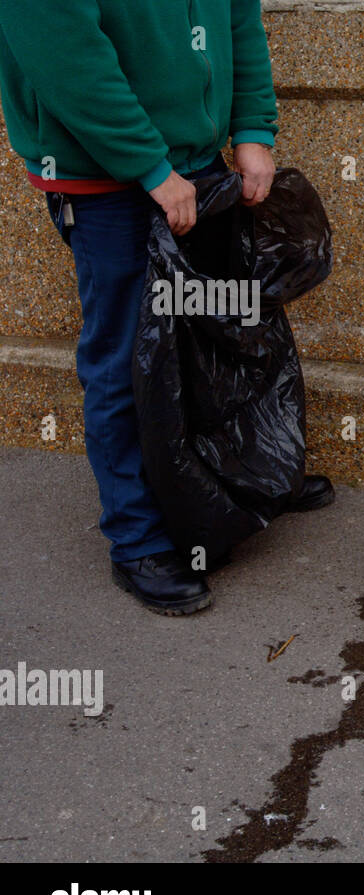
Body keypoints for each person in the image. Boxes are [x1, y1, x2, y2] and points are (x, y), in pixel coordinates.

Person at [0, 1, 334, 615]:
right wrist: (149, 166)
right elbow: (64, 55)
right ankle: (137, 541)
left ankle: (229, 489)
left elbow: (236, 14)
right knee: (125, 360)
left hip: (196, 168)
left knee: (207, 340)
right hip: (107, 183)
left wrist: (255, 128)